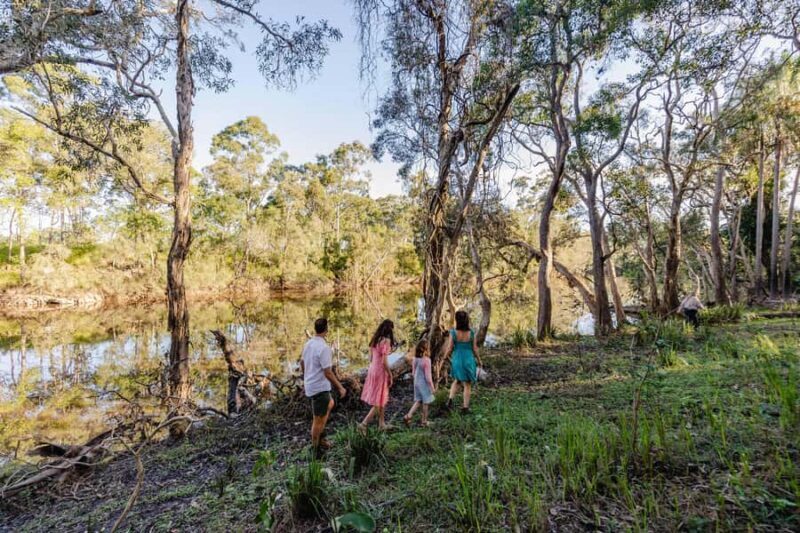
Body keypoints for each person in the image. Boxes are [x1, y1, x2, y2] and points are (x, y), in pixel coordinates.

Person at [300, 318, 346, 456]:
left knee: (330, 403)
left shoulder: (308, 344)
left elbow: (302, 363)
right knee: (317, 419)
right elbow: (328, 372)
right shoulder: (324, 348)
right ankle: (315, 449)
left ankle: (322, 439)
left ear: (315, 329)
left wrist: (307, 376)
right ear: (326, 329)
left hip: (312, 385)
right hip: (319, 387)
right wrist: (340, 387)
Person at [359, 319, 395, 431]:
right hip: (380, 372)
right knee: (379, 400)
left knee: (381, 397)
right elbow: (384, 361)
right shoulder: (386, 341)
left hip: (372, 370)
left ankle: (381, 424)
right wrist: (390, 374)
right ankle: (363, 424)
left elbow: (371, 358)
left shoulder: (375, 340)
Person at [446, 310, 483, 413]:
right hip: (468, 359)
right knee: (467, 384)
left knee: (457, 380)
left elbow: (449, 348)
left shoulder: (453, 332)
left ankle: (450, 401)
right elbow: (475, 349)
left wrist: (445, 357)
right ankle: (465, 407)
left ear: (457, 320)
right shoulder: (471, 333)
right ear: (467, 320)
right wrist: (479, 360)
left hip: (457, 359)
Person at [403, 339, 435, 427]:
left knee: (418, 400)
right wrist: (432, 387)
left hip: (416, 382)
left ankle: (408, 416)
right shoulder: (427, 360)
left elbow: (413, 372)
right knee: (426, 402)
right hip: (424, 383)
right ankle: (424, 421)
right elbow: (428, 377)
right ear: (426, 349)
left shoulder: (415, 359)